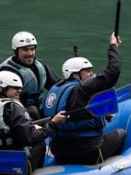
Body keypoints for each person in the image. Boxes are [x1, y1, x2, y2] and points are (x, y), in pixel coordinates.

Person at [41, 33, 126, 165]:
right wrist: (113, 46)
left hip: (60, 153)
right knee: (121, 133)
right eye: (88, 71)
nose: (92, 74)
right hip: (88, 153)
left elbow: (77, 111)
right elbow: (113, 71)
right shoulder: (83, 87)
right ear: (76, 74)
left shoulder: (54, 89)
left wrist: (101, 114)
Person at [0, 70, 68, 174]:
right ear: (1, 89)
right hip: (15, 169)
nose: (19, 91)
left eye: (20, 88)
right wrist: (53, 124)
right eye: (15, 87)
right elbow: (30, 139)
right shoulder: (14, 107)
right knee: (40, 143)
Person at [0, 31, 61, 118]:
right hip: (16, 112)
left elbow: (57, 85)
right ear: (16, 51)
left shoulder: (40, 65)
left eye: (32, 49)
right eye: (25, 50)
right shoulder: (7, 71)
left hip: (40, 107)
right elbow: (4, 102)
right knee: (33, 111)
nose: (30, 54)